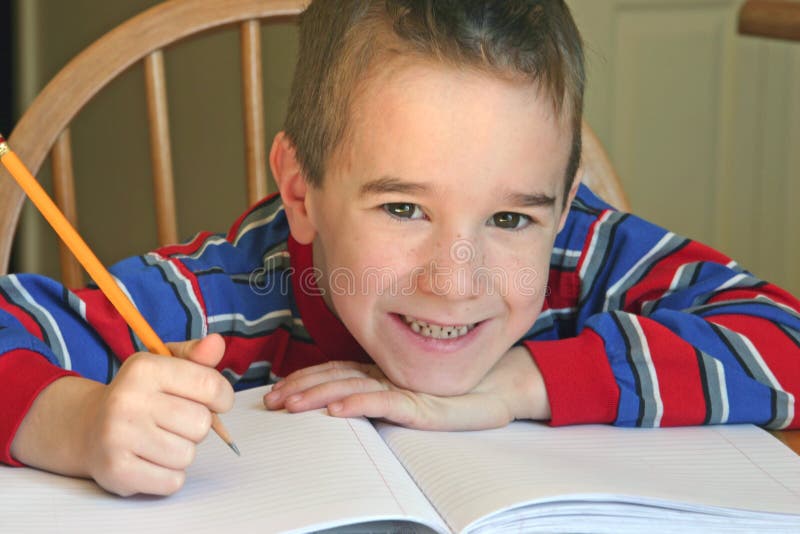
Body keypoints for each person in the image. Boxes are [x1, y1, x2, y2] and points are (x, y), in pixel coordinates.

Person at [2, 0, 798, 497]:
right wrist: (80, 423)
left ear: (562, 201)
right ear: (303, 194)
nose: (456, 282)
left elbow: (785, 337)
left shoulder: (580, 254)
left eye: (512, 219)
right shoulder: (230, 295)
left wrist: (519, 385)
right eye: (404, 206)